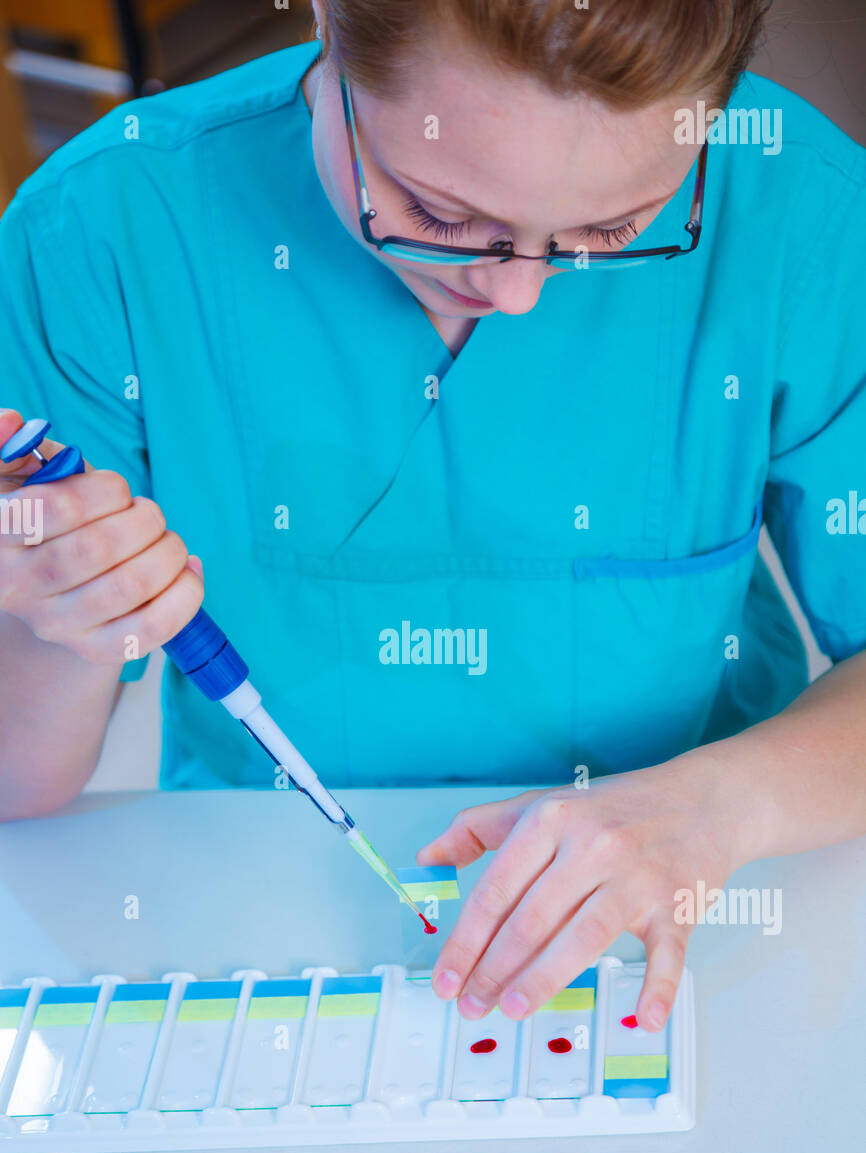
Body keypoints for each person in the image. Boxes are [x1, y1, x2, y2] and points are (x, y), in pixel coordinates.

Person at [0, 1, 864, 1032]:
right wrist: (53, 616)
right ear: (327, 23)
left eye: (612, 230)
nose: (517, 296)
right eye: (440, 214)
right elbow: (20, 782)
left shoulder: (801, 213)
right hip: (256, 910)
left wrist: (720, 805)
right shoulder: (106, 232)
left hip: (715, 924)